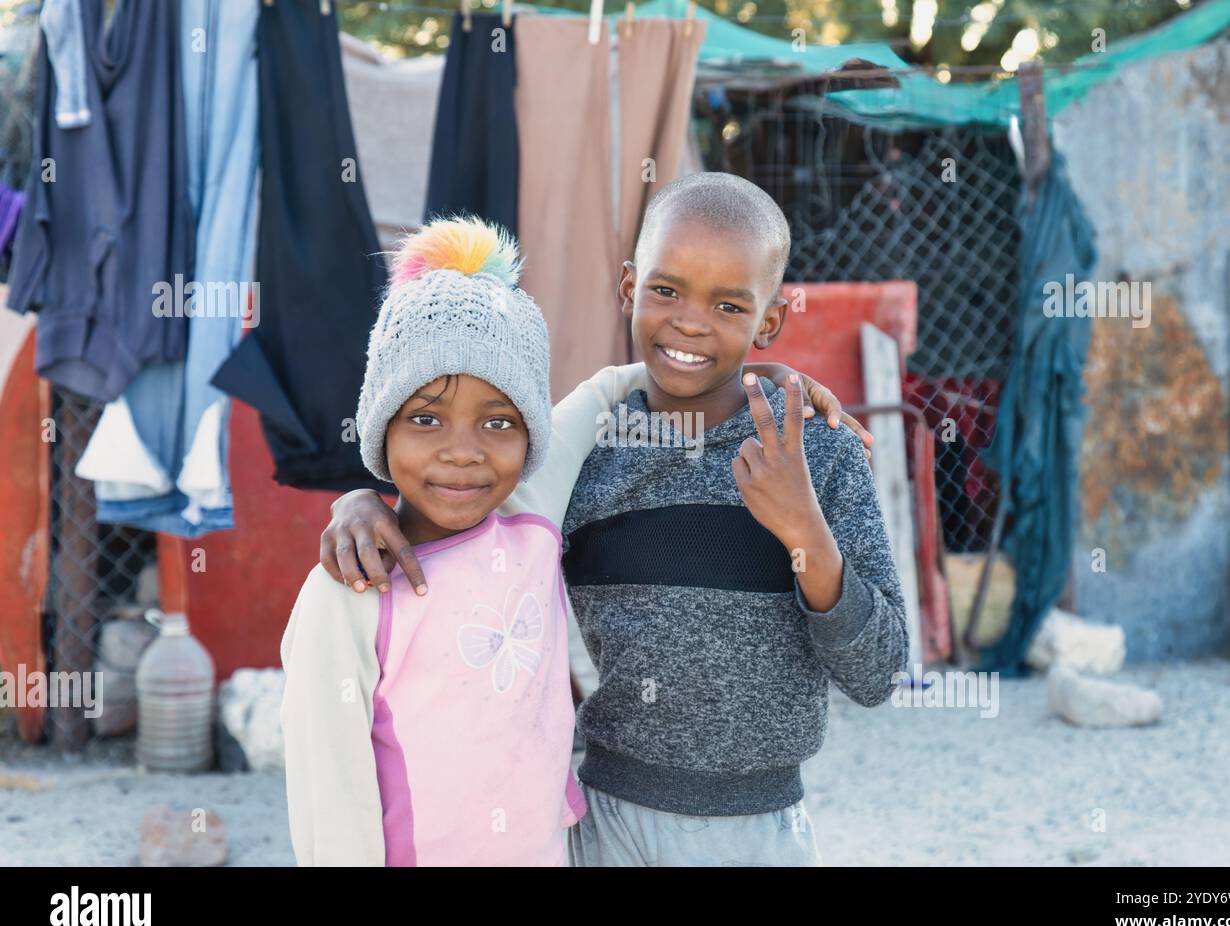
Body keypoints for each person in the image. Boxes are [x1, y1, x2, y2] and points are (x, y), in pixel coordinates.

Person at [318, 173, 904, 866]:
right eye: (666, 290)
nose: (689, 321)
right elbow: (463, 511)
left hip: (758, 831)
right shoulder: (583, 457)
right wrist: (362, 501)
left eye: (728, 305)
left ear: (768, 321)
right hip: (603, 824)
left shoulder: (817, 455)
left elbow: (879, 672)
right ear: (629, 288)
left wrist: (806, 535)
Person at [281, 216, 592, 865]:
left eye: (499, 421)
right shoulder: (351, 587)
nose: (461, 452)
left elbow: (613, 391)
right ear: (381, 426)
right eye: (425, 418)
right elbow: (329, 792)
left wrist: (751, 374)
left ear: (533, 437)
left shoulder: (534, 519)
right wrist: (354, 498)